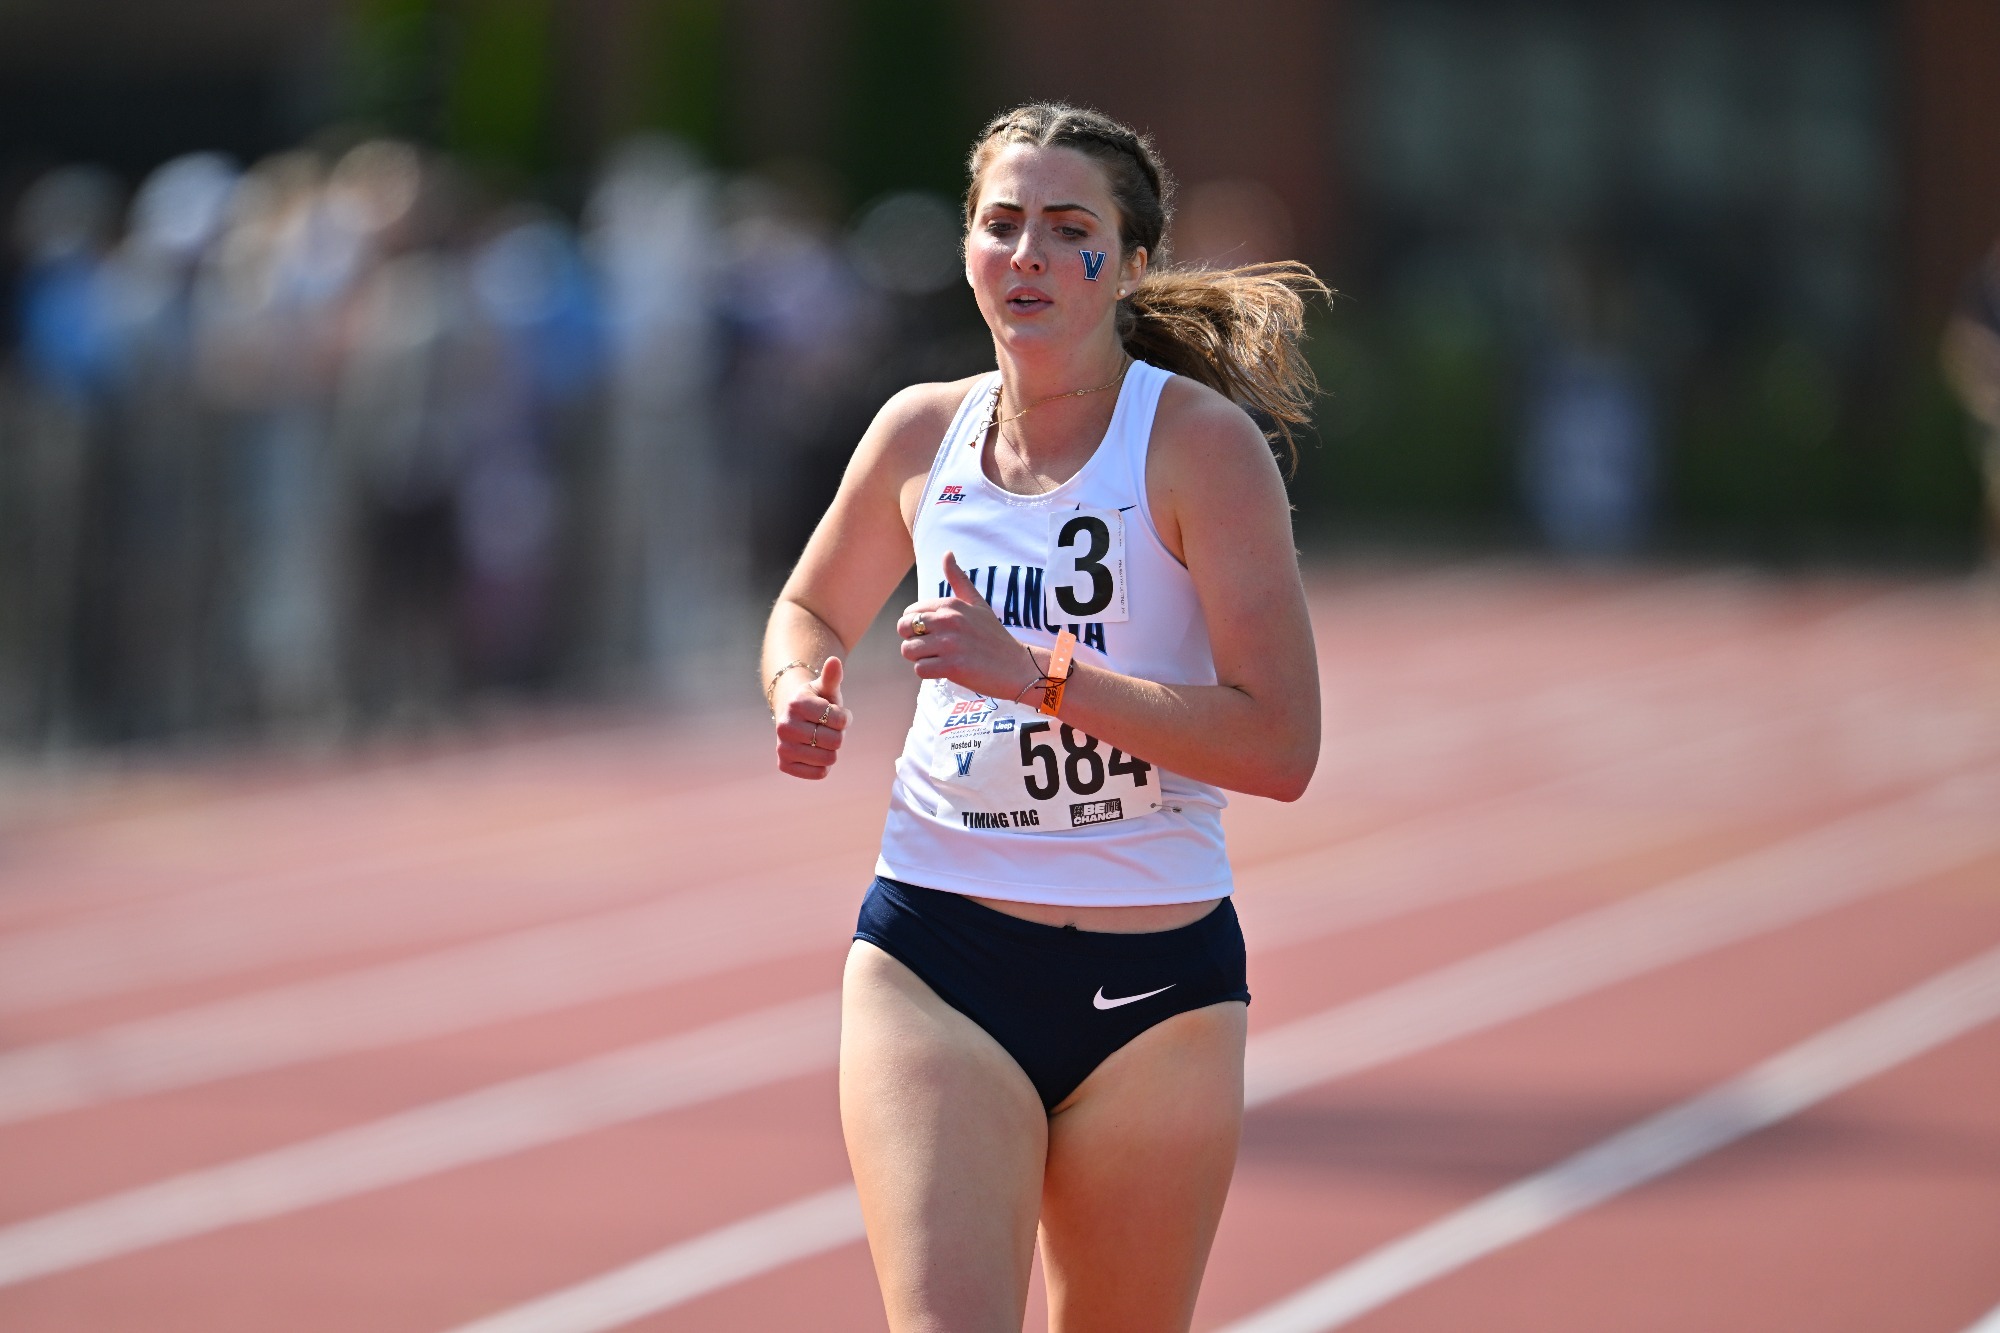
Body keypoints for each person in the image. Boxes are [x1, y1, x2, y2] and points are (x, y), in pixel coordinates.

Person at [761, 102, 1323, 1331]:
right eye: (999, 224)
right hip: (937, 955)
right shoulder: (920, 430)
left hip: (1156, 991)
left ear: (1127, 265)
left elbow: (1280, 745)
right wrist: (799, 685)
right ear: (964, 246)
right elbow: (808, 604)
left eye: (1067, 230)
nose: (1025, 255)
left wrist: (1042, 676)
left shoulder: (1198, 450)